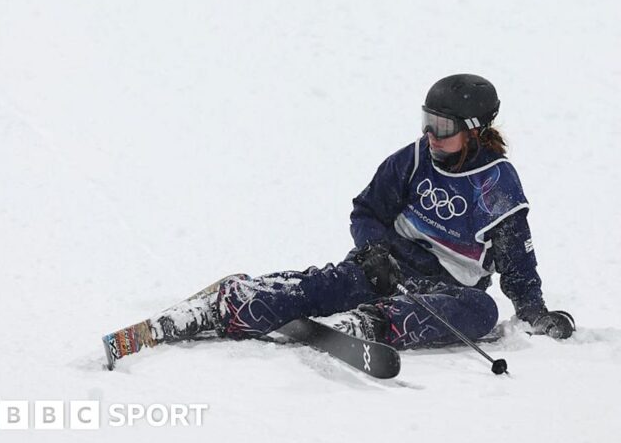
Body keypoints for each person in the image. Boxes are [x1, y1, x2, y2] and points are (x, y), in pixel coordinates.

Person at [102, 74, 575, 366]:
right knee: (326, 284)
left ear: (474, 130)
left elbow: (517, 264)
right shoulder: (412, 160)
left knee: (481, 312)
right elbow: (367, 210)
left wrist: (533, 311)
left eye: (444, 126)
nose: (431, 134)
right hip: (385, 265)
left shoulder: (496, 185)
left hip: (447, 289)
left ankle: (365, 326)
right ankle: (230, 303)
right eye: (426, 120)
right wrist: (373, 250)